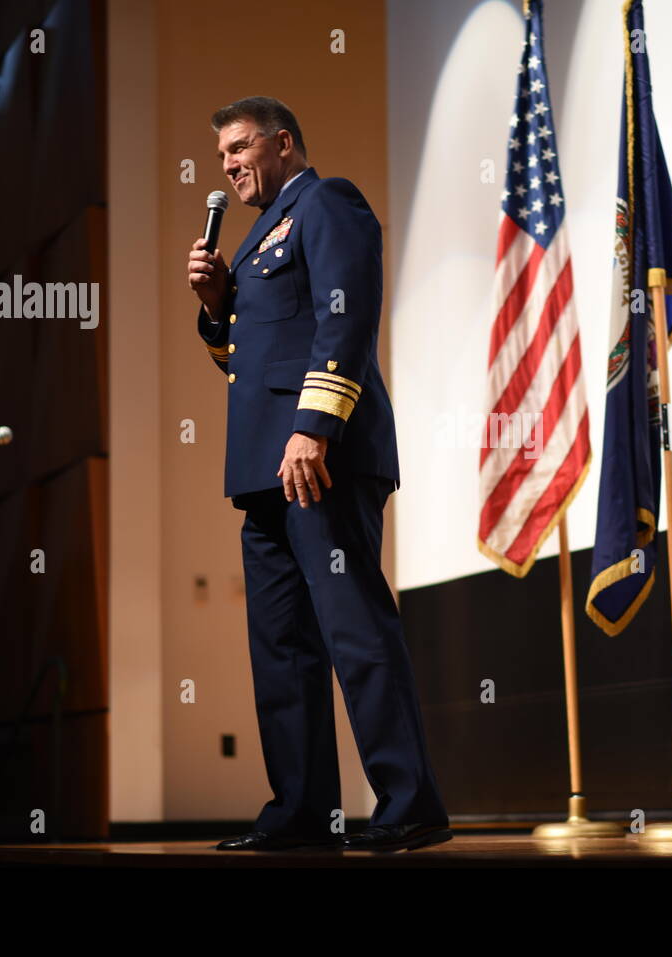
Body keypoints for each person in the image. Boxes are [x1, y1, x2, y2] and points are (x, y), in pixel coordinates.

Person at [187, 96, 450, 852]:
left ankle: (409, 802)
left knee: (356, 632)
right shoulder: (257, 239)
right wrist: (216, 309)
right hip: (265, 472)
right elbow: (246, 364)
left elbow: (347, 314)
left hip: (321, 459)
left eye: (240, 146)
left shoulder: (326, 201)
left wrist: (314, 428)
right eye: (221, 157)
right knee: (281, 649)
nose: (230, 164)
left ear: (284, 142)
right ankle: (302, 812)